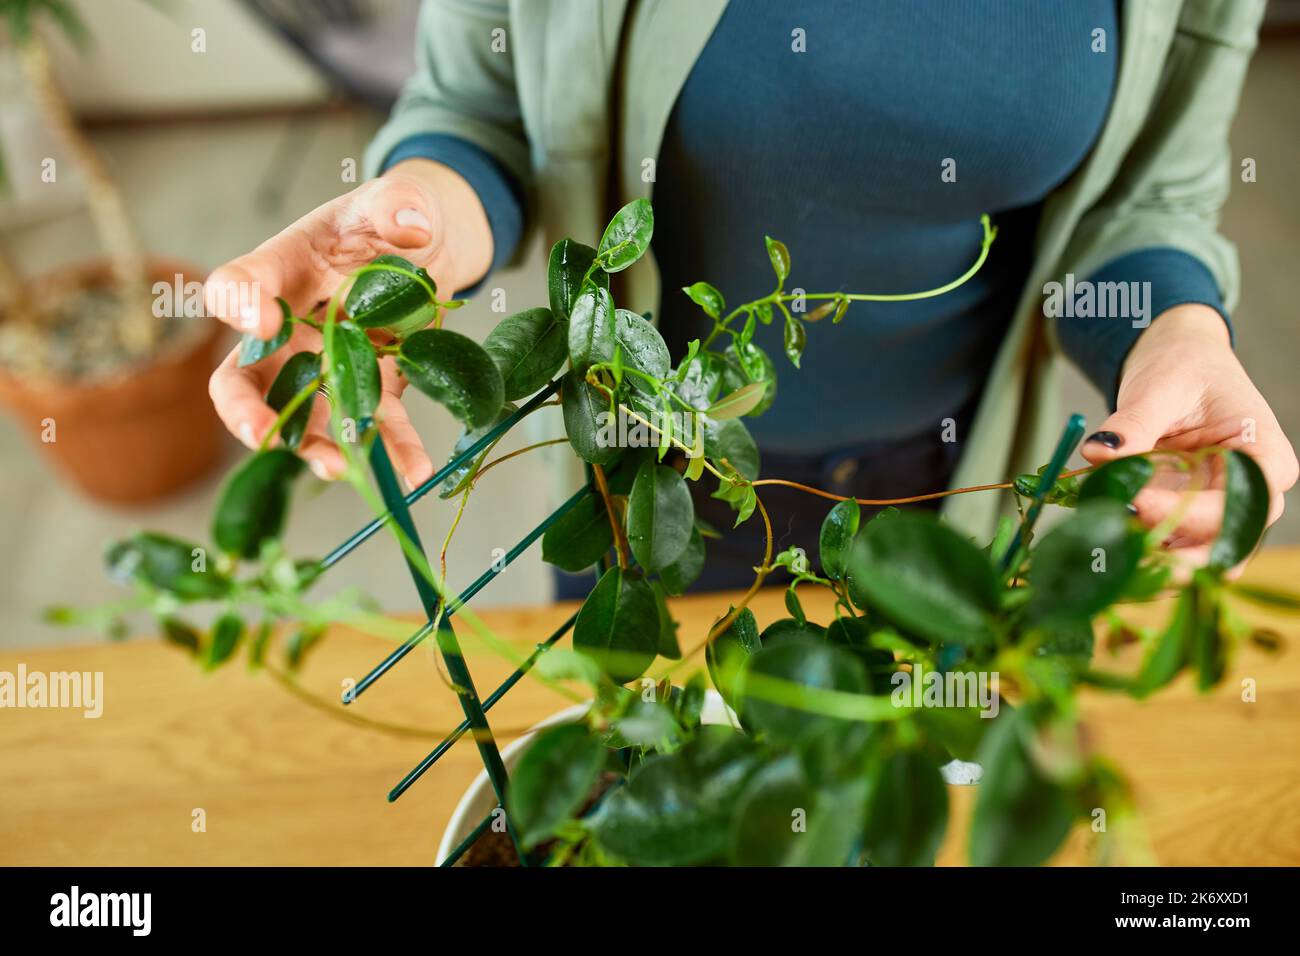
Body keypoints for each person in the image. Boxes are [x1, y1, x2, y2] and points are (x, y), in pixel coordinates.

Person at [205, 0, 1295, 593]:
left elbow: (1145, 198)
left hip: (955, 487)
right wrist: (407, 229)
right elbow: (483, 109)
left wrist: (1172, 324)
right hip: (649, 484)